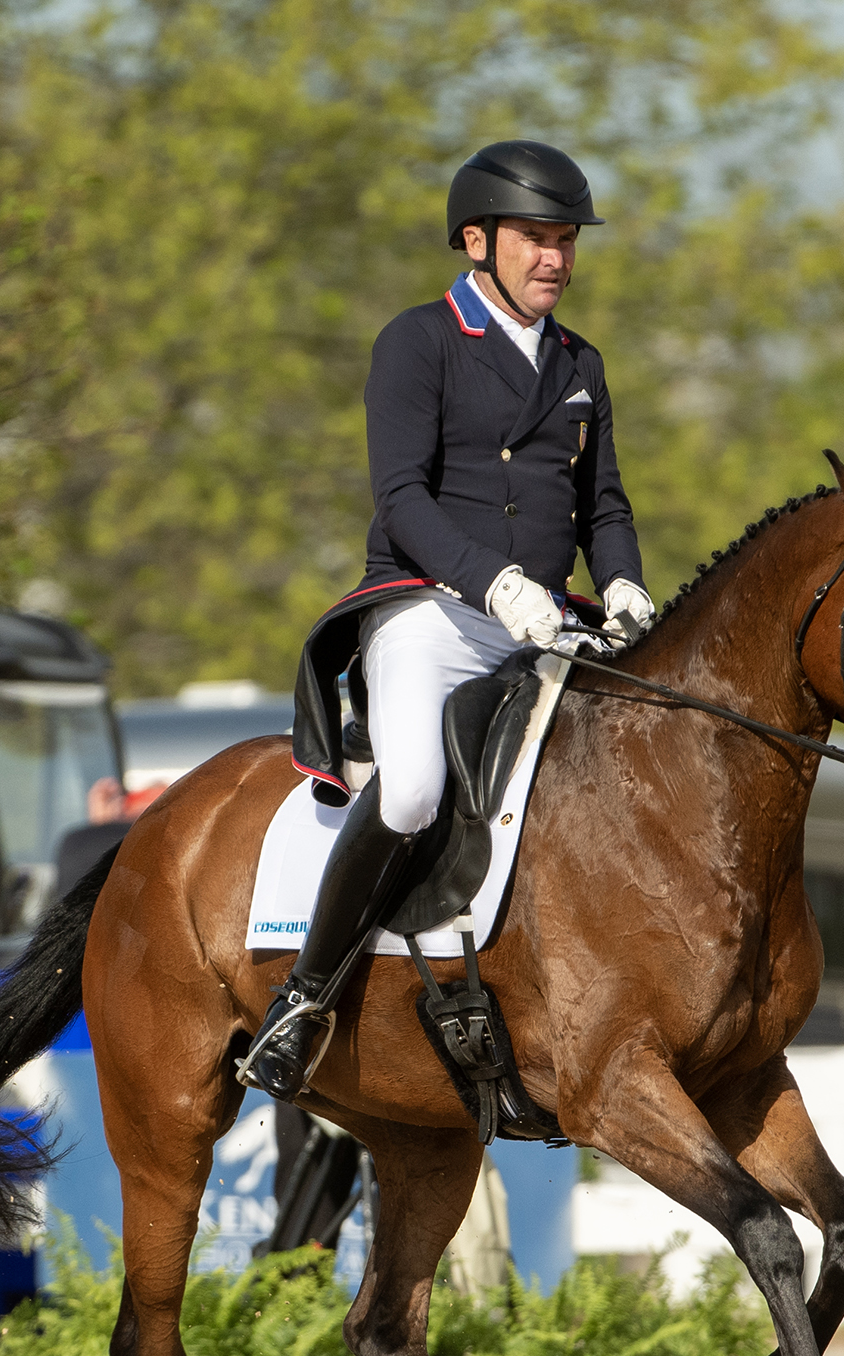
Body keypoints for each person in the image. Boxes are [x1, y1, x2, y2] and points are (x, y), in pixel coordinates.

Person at [239, 140, 652, 1098]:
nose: (554, 258)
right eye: (535, 240)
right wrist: (495, 581)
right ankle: (304, 1000)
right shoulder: (417, 342)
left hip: (542, 627)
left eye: (565, 242)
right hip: (430, 614)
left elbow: (606, 508)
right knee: (417, 786)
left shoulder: (581, 362)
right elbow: (400, 501)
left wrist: (625, 582)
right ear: (477, 240)